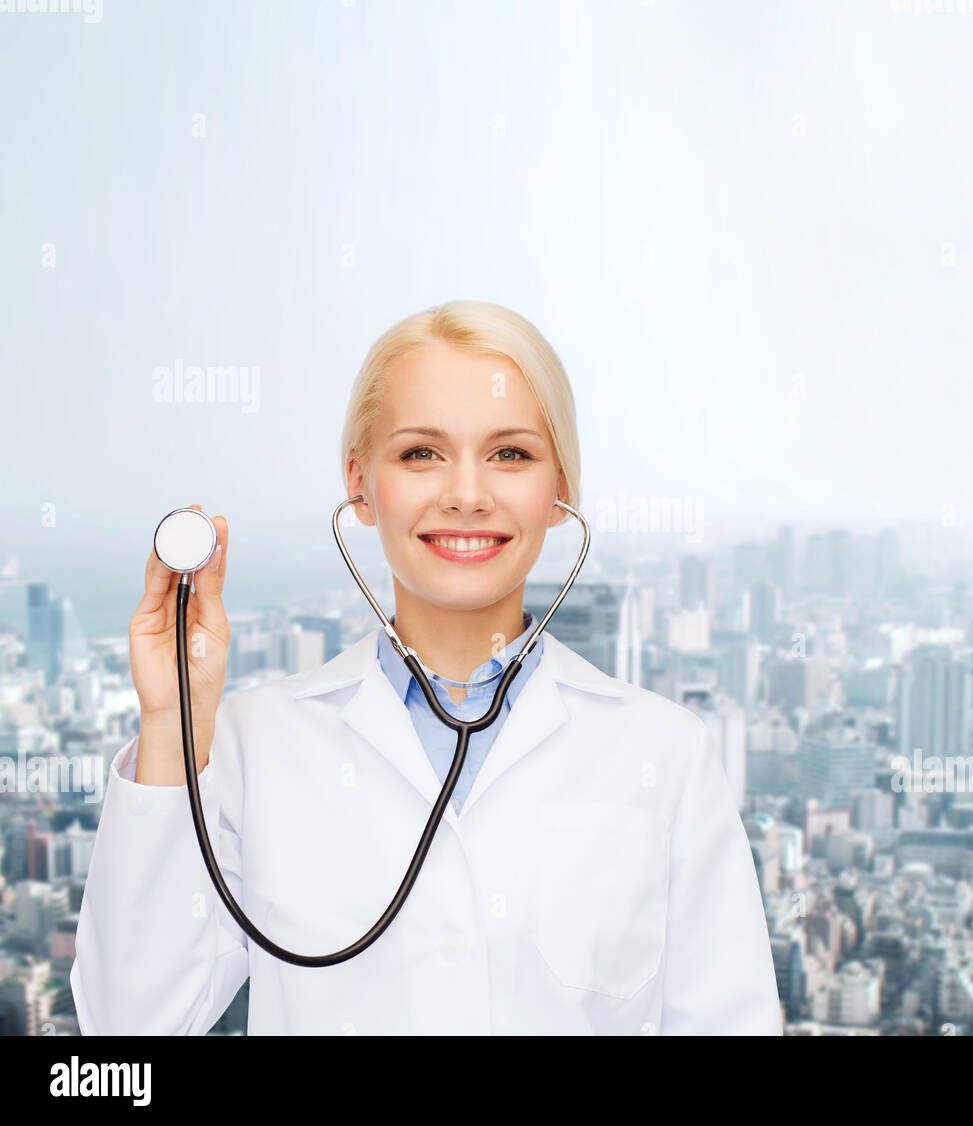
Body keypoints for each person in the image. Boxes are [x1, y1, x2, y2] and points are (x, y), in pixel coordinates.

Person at [70, 299, 783, 1035]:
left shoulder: (662, 754)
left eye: (510, 454)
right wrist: (169, 726)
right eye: (420, 453)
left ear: (559, 486)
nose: (467, 496)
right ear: (361, 484)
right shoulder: (254, 744)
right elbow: (128, 1028)